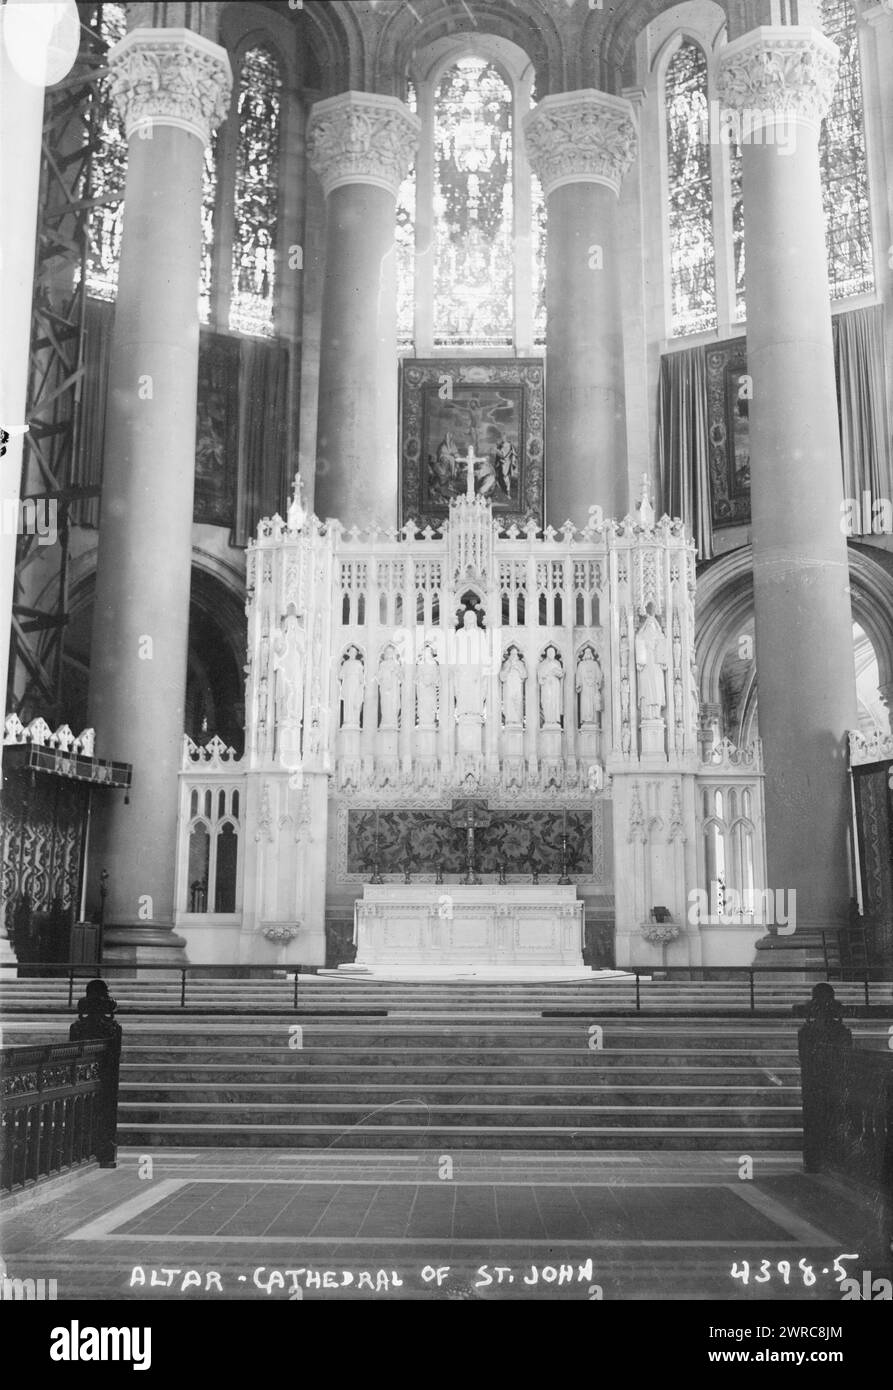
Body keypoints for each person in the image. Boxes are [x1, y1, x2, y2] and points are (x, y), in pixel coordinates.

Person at [538, 645, 564, 726]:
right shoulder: (542, 664)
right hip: (546, 685)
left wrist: (556, 672)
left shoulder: (557, 663)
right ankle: (547, 720)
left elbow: (561, 674)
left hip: (555, 685)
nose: (551, 654)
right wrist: (545, 675)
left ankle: (554, 721)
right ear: (547, 653)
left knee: (554, 702)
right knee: (547, 701)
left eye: (553, 652)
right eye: (550, 652)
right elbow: (540, 676)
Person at [340, 646, 365, 728]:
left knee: (355, 700)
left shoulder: (358, 663)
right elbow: (341, 675)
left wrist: (361, 684)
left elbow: (361, 677)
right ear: (349, 653)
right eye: (351, 652)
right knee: (348, 701)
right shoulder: (346, 663)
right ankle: (347, 720)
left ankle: (355, 720)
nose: (352, 654)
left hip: (356, 683)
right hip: (348, 683)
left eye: (354, 652)